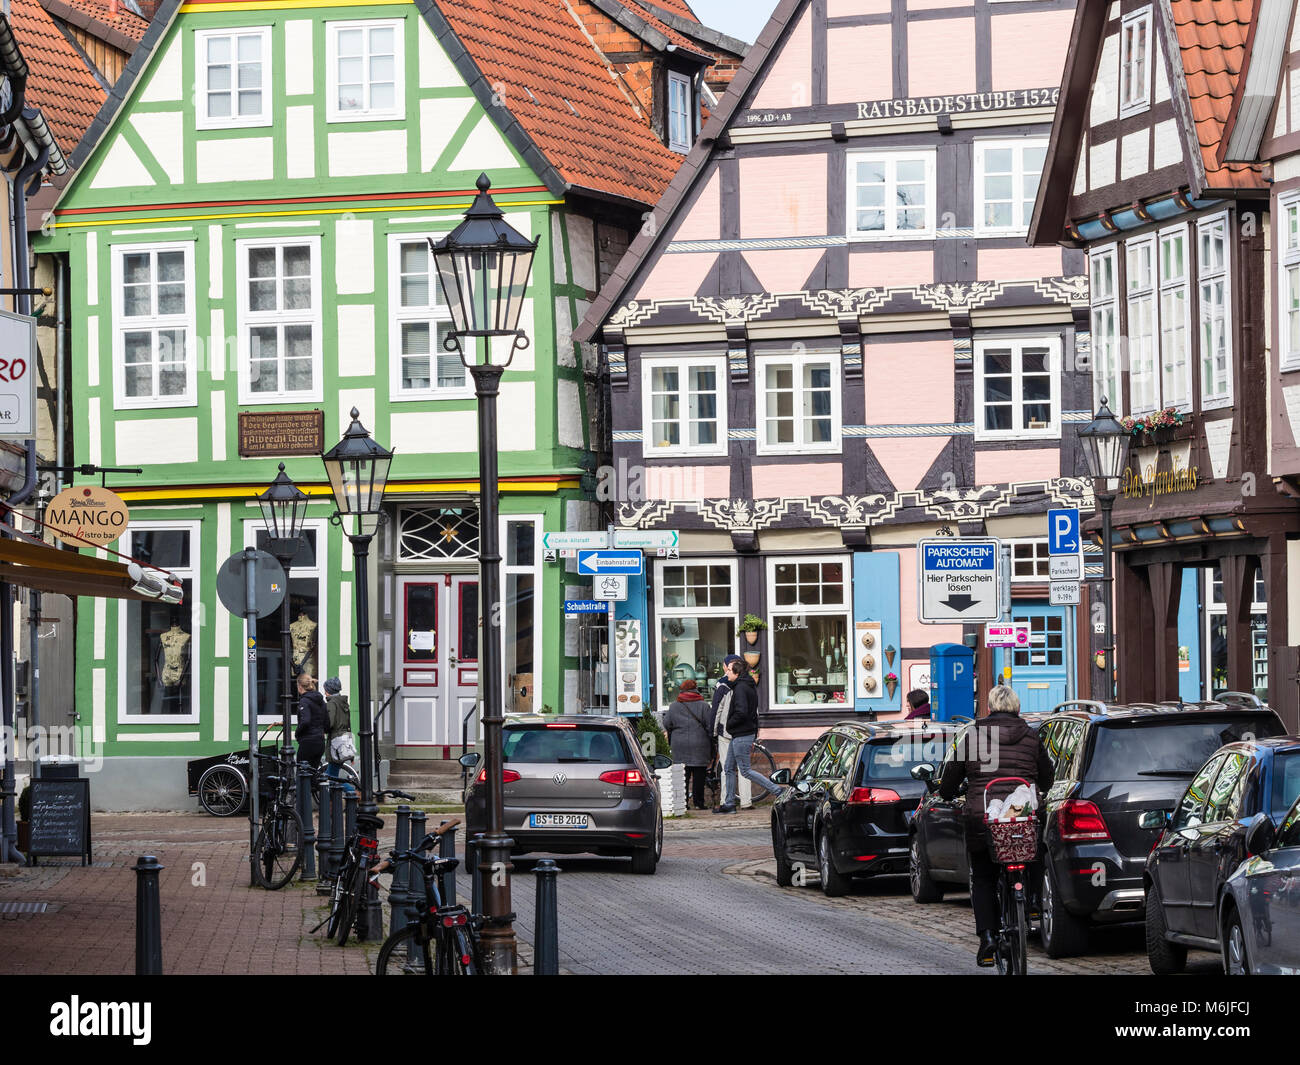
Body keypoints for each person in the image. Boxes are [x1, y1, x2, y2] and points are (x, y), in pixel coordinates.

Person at [938, 684, 1054, 967]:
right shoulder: (1030, 735)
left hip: (984, 819)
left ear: (988, 709)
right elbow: (1047, 776)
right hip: (1021, 816)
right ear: (1017, 709)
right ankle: (1035, 903)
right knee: (1033, 850)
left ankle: (988, 937)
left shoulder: (974, 736)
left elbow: (951, 777)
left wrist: (948, 793)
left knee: (984, 877)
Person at [717, 658, 781, 813]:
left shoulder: (740, 688)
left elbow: (742, 712)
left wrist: (729, 724)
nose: (726, 673)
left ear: (737, 673)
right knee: (728, 767)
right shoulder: (746, 685)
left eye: (729, 670)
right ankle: (730, 803)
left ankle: (778, 791)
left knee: (744, 770)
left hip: (741, 734)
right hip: (741, 733)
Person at [663, 679, 712, 809]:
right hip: (700, 743)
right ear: (696, 688)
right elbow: (709, 726)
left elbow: (667, 723)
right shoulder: (704, 705)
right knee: (699, 775)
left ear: (682, 690)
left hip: (679, 744)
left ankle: (683, 804)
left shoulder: (674, 706)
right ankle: (699, 803)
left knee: (682, 775)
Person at [710, 655, 745, 812]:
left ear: (726, 667)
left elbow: (717, 708)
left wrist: (713, 729)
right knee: (744, 767)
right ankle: (746, 800)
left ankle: (726, 800)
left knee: (726, 766)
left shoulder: (723, 685)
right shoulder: (747, 683)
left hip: (726, 730)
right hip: (743, 730)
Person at [322, 676, 357, 792]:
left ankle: (352, 793)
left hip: (335, 744)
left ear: (328, 690)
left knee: (331, 779)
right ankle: (332, 802)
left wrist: (322, 729)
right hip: (343, 743)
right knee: (330, 775)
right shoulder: (343, 703)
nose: (324, 692)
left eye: (325, 689)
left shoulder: (331, 704)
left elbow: (329, 723)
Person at [294, 672, 329, 769]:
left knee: (302, 774)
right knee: (313, 774)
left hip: (308, 742)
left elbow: (305, 721)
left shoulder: (304, 701)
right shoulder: (321, 701)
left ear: (300, 686)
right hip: (320, 742)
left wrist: (297, 733)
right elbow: (327, 723)